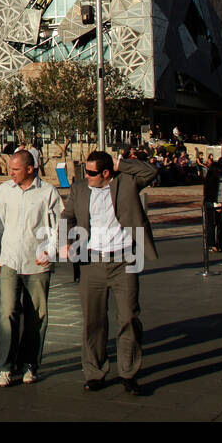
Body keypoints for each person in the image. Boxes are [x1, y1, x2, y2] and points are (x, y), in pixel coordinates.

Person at [61, 151, 158, 395]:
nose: (87, 176)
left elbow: (151, 171)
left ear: (106, 173)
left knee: (128, 317)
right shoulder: (81, 188)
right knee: (93, 320)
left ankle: (129, 373)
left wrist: (120, 163)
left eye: (93, 172)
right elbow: (67, 216)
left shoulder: (126, 183)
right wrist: (66, 241)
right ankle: (94, 372)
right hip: (91, 262)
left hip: (124, 261)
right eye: (86, 171)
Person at [0, 151, 62, 386]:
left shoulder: (47, 192)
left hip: (37, 263)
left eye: (15, 169)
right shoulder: (4, 191)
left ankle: (30, 364)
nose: (10, 173)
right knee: (7, 311)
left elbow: (59, 225)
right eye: (10, 169)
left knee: (37, 316)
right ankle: (6, 366)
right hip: (10, 259)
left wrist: (50, 251)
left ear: (30, 169)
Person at [202, 156, 222, 252]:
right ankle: (217, 244)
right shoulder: (215, 179)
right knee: (217, 224)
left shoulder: (208, 178)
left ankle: (212, 244)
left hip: (208, 202)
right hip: (214, 202)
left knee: (210, 224)